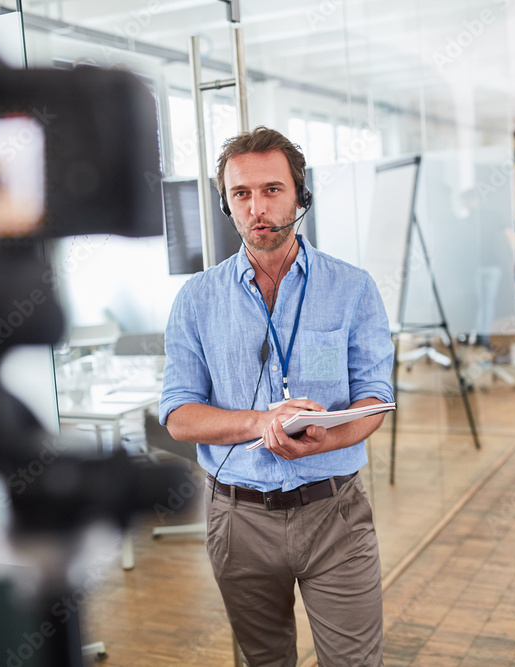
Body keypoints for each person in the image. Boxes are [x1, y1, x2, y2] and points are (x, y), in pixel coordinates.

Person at [159, 126, 394, 666]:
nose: (257, 207)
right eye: (241, 194)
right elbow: (179, 414)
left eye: (271, 189)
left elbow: (375, 396)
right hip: (239, 518)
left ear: (300, 195)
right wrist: (261, 423)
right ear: (227, 203)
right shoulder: (196, 300)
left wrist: (324, 438)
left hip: (334, 510)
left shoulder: (352, 288)